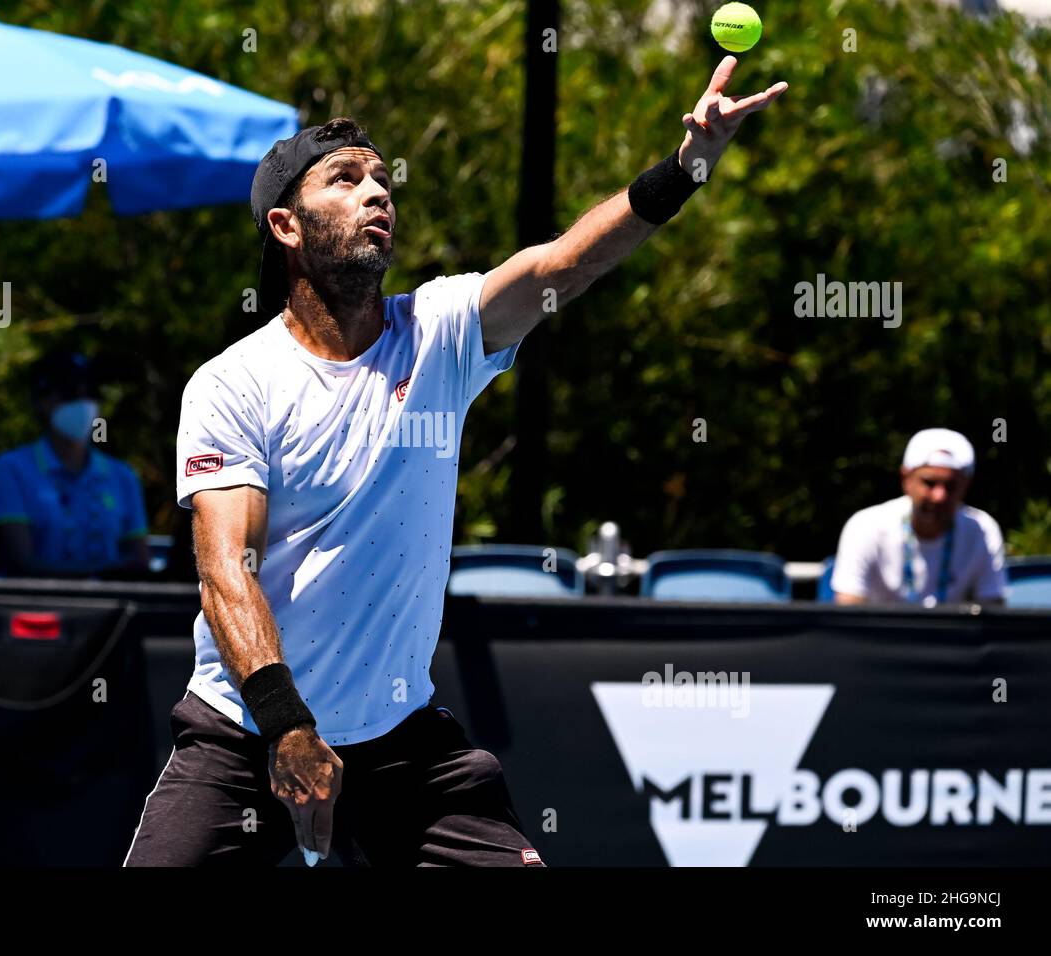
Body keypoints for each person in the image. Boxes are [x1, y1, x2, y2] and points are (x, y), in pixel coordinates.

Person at [125, 57, 787, 867]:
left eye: (381, 180)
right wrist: (288, 724)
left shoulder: (439, 332)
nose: (378, 193)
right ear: (286, 228)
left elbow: (565, 263)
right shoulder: (235, 383)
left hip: (400, 743)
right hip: (245, 731)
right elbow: (229, 572)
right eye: (344, 180)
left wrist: (685, 169)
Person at [0, 350, 150, 577]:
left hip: (114, 611)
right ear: (41, 401)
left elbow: (140, 561)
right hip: (36, 608)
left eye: (90, 392)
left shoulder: (123, 476)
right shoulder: (11, 469)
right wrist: (99, 574)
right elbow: (21, 563)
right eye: (70, 392)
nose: (83, 403)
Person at [831, 428, 1007, 607]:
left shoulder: (983, 530)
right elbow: (848, 611)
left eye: (951, 486)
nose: (939, 496)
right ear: (906, 479)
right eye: (929, 483)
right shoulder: (865, 526)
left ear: (966, 486)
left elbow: (993, 613)